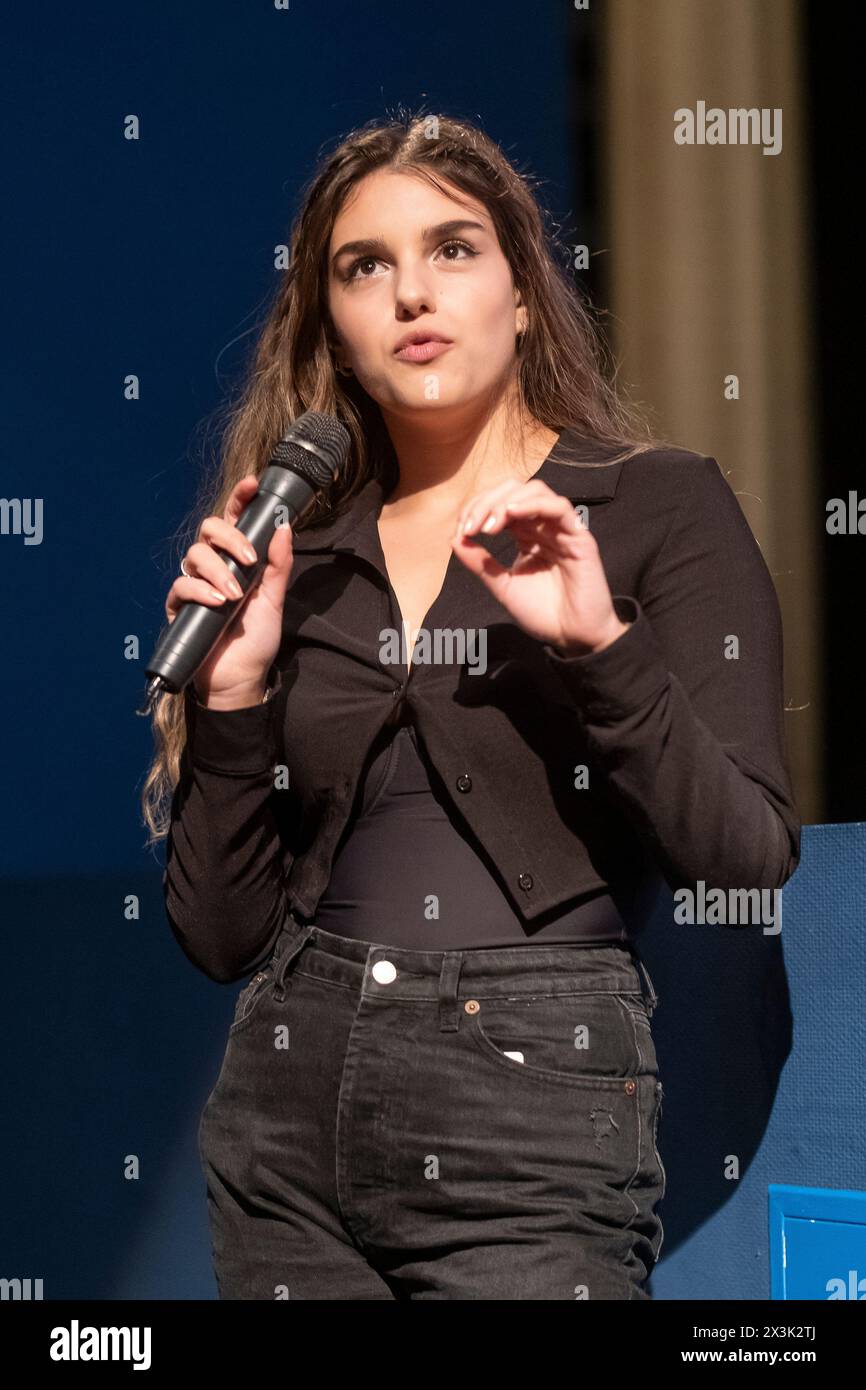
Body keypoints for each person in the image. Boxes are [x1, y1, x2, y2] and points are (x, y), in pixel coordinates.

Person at [142, 113, 801, 1300]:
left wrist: (601, 644)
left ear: (521, 292)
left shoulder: (654, 505)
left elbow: (744, 853)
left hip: (531, 1102)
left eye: (452, 248)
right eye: (364, 266)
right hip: (285, 1111)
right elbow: (219, 935)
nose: (409, 294)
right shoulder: (304, 559)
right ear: (331, 330)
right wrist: (233, 695)